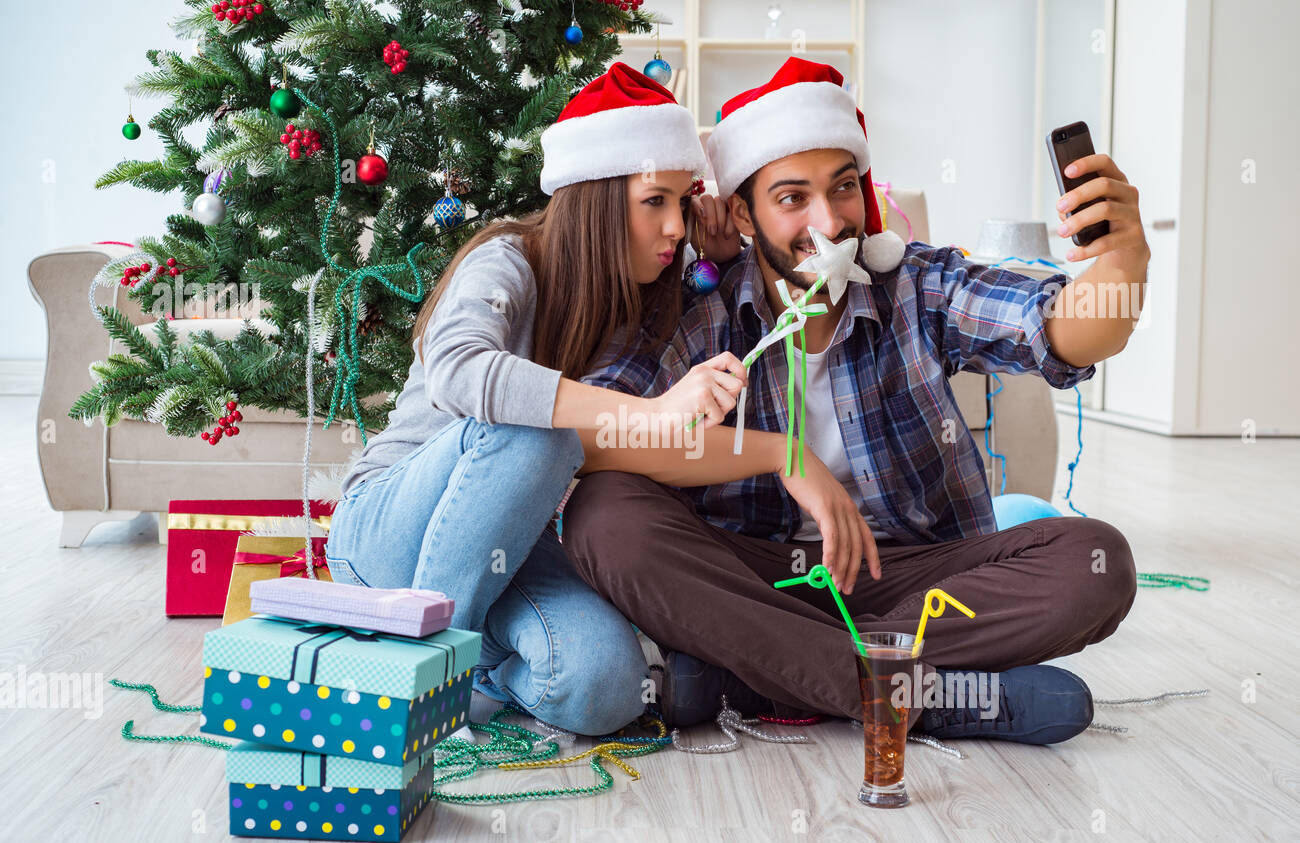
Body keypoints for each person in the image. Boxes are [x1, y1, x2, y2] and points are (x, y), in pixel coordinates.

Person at [562, 57, 1150, 744]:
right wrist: (782, 458)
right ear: (745, 216)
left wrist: (1123, 260)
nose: (829, 221)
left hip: (906, 577)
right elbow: (590, 436)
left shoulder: (916, 284)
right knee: (603, 517)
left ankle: (751, 674)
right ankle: (912, 692)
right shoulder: (699, 311)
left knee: (1093, 562)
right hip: (749, 575)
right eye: (791, 198)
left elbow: (1058, 330)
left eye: (843, 188)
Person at [324, 63, 748, 736]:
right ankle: (421, 690)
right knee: (541, 433)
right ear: (600, 197)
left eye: (682, 201)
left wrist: (721, 262)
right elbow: (458, 369)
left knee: (607, 686)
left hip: (499, 541)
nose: (673, 227)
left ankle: (470, 660)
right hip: (381, 532)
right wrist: (652, 413)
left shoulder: (629, 296)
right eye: (653, 201)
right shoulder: (507, 259)